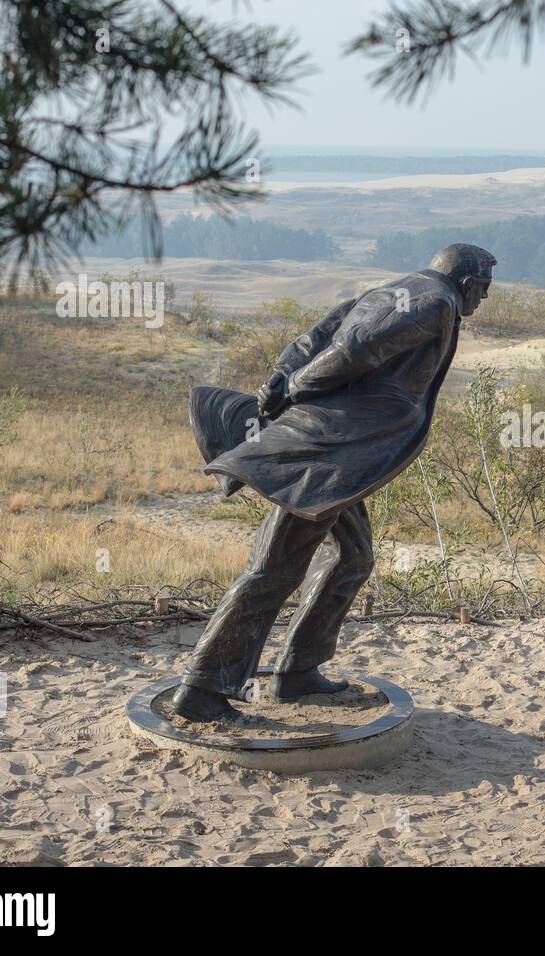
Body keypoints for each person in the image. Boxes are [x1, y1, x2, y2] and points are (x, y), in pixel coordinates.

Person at [170, 244, 496, 722]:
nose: (484, 298)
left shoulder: (396, 287)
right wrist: (298, 384)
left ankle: (299, 671)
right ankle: (203, 688)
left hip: (343, 458)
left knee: (352, 556)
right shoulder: (435, 302)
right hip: (324, 455)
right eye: (484, 288)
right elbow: (354, 348)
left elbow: (318, 332)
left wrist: (282, 372)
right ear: (468, 281)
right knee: (274, 569)